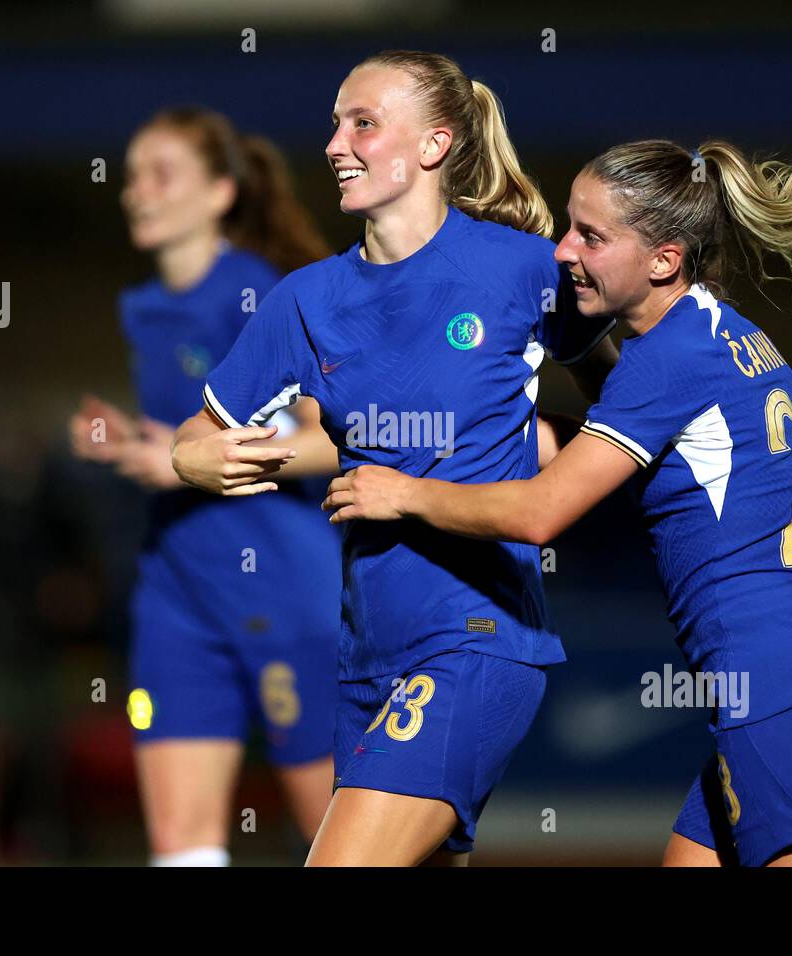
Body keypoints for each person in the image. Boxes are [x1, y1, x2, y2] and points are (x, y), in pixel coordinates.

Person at [322, 137, 792, 867]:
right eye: (568, 225)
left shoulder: (666, 363)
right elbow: (599, 436)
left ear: (663, 260)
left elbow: (540, 513)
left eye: (591, 236)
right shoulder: (724, 335)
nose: (564, 251)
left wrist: (404, 492)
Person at [169, 51, 618, 866]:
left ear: (435, 145)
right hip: (364, 659)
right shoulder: (304, 301)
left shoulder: (522, 269)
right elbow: (195, 435)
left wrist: (552, 443)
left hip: (477, 638)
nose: (336, 143)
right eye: (336, 123)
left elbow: (621, 403)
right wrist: (192, 461)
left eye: (363, 124)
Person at [69, 107, 342, 866]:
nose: (135, 193)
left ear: (220, 192)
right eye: (130, 176)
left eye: (160, 175)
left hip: (282, 585)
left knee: (338, 840)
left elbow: (334, 437)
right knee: (179, 846)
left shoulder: (263, 297)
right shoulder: (147, 309)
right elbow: (181, 433)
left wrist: (194, 461)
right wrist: (126, 441)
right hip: (176, 588)